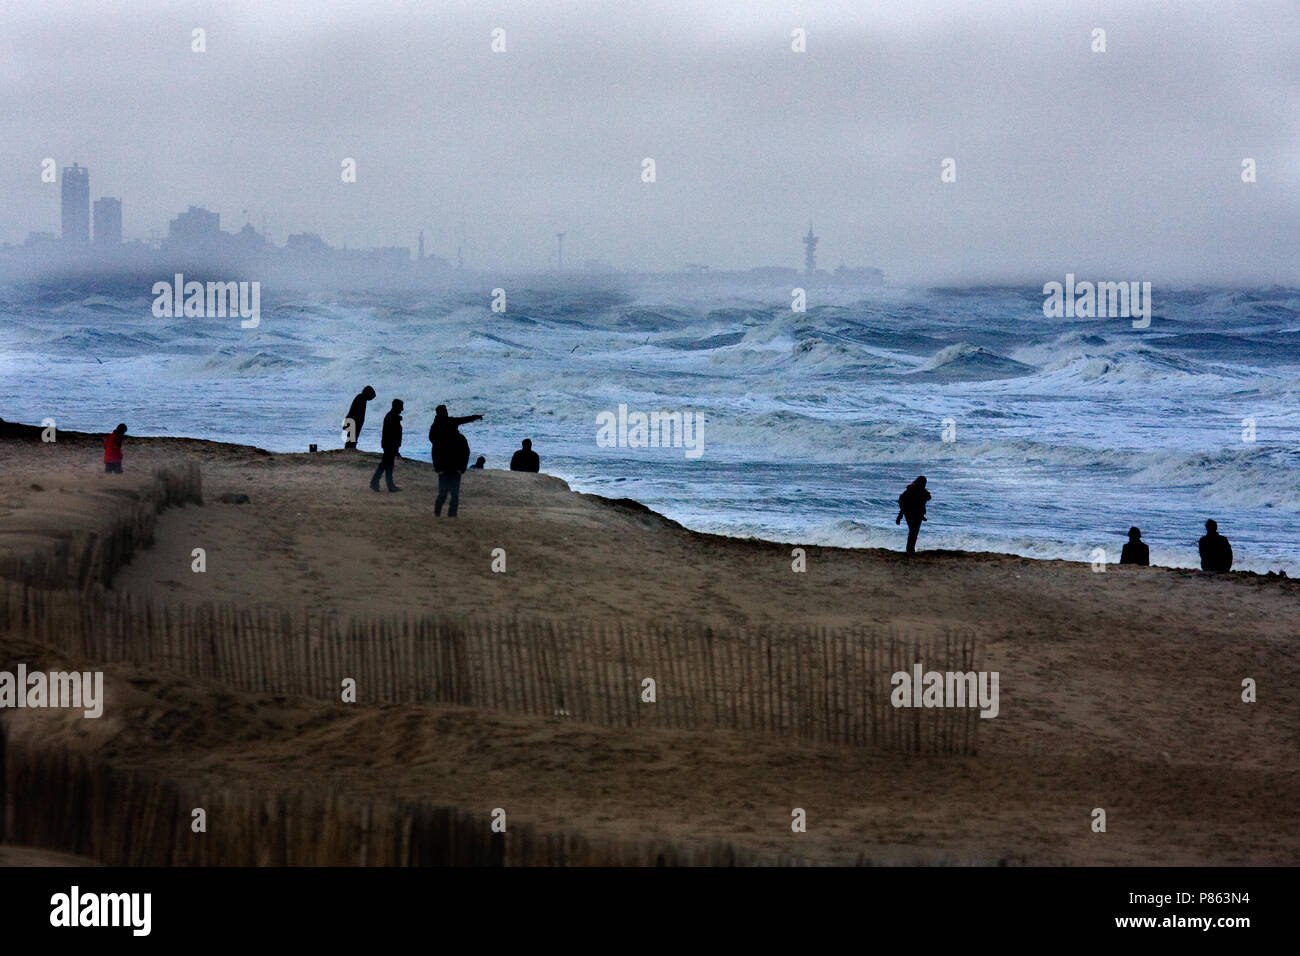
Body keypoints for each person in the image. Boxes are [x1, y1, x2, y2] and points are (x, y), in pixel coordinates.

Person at [429, 405, 481, 517]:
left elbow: (464, 452)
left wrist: (460, 468)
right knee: (449, 494)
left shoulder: (438, 430)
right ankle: (446, 515)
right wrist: (460, 468)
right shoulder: (444, 432)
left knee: (447, 494)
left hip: (450, 467)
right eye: (445, 411)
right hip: (449, 467)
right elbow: (464, 452)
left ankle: (441, 515)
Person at [369, 399, 403, 492]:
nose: (402, 409)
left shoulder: (391, 416)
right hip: (389, 445)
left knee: (385, 464)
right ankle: (387, 485)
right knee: (388, 465)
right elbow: (392, 434)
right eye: (401, 407)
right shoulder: (392, 417)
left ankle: (381, 483)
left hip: (388, 444)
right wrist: (395, 448)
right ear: (396, 407)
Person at [895, 475, 931, 554]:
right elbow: (928, 497)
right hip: (913, 513)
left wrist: (899, 517)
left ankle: (910, 549)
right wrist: (899, 517)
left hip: (912, 513)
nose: (925, 484)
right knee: (913, 531)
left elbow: (928, 497)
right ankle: (910, 550)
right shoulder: (917, 490)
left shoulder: (912, 489)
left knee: (913, 531)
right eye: (924, 483)